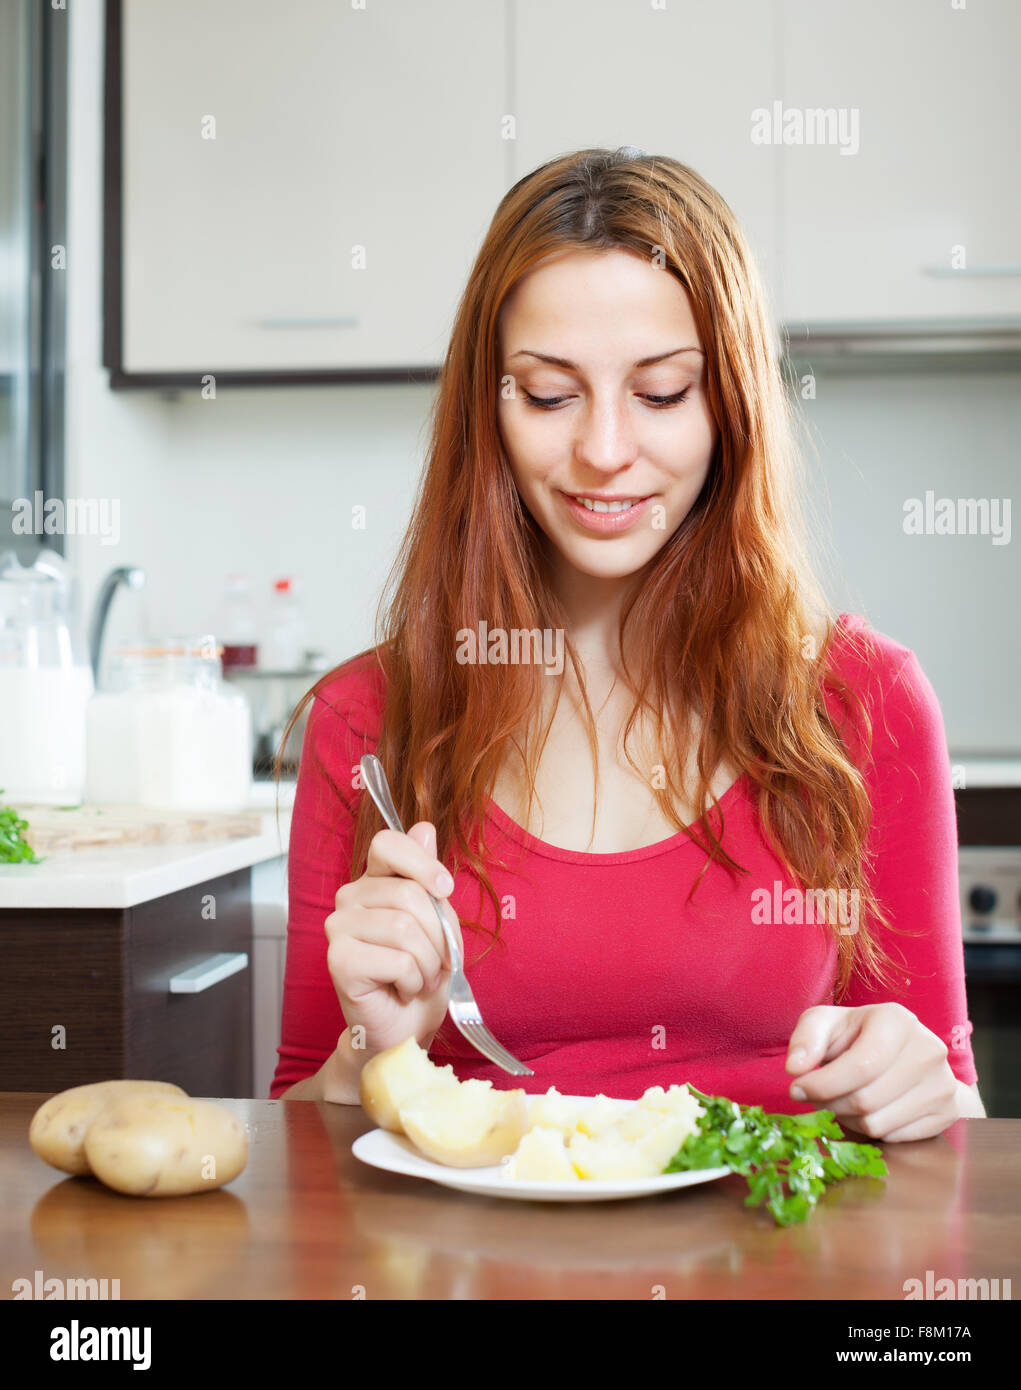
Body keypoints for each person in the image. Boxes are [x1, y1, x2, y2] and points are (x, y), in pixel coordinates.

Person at [270, 147, 983, 1141]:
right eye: (551, 393)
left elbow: (955, 1112)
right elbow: (297, 1142)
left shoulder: (865, 700)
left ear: (728, 405)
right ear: (490, 409)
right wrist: (375, 1047)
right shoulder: (367, 721)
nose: (605, 450)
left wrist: (917, 1088)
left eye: (659, 392)